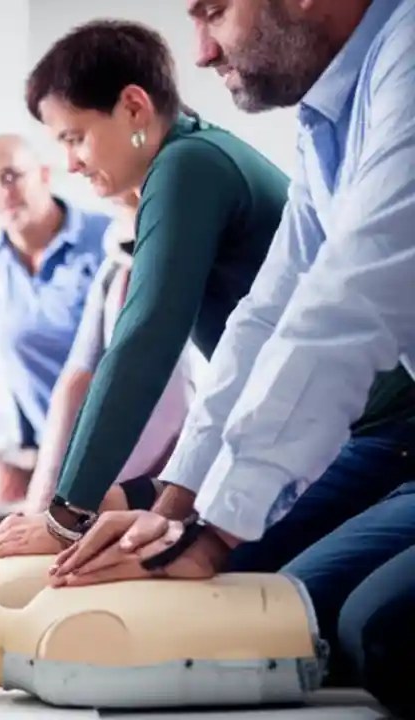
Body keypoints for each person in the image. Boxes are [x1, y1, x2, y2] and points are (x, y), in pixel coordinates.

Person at [46, 1, 415, 715]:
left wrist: (205, 535)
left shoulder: (191, 161)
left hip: (384, 435)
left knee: (374, 632)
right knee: (295, 610)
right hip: (376, 440)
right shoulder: (324, 124)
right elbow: (265, 317)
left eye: (214, 13)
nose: (204, 53)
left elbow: (345, 307)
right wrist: (179, 507)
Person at [0, 17, 415, 568]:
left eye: (75, 137)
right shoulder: (192, 160)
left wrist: (68, 517)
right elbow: (243, 341)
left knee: (177, 570)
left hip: (368, 431)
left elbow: (145, 340)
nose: (71, 163)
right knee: (137, 518)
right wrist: (140, 503)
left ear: (135, 109)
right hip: (307, 430)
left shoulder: (187, 166)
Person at [0, 134, 112, 506]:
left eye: (11, 176)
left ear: (43, 174)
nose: (1, 192)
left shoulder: (106, 241)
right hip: (44, 458)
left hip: (125, 451)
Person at [19, 191, 193, 515]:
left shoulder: (189, 268)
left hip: (185, 467)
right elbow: (77, 377)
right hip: (126, 474)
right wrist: (46, 491)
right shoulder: (114, 271)